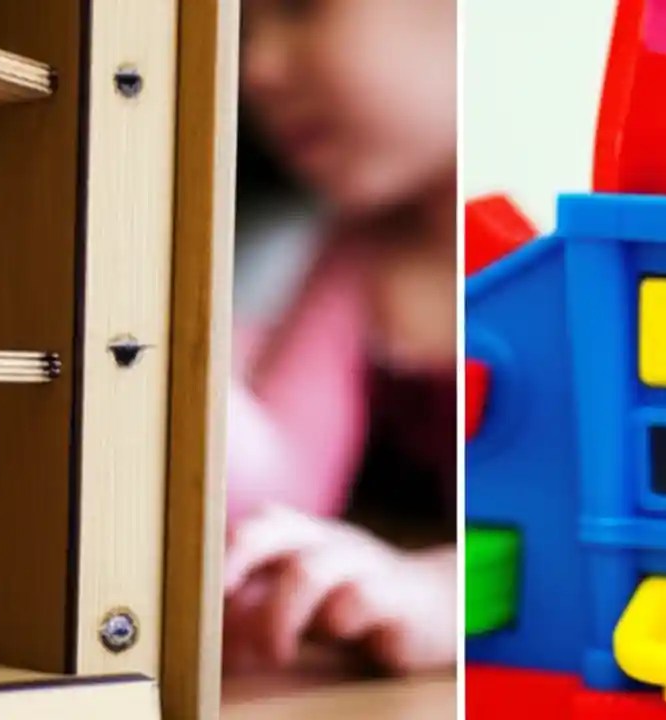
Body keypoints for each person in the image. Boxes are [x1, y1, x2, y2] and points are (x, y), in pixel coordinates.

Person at [224, 0, 457, 674]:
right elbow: (280, 496)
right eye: (243, 34)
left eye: (300, 7)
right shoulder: (355, 257)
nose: (253, 70)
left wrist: (449, 589)